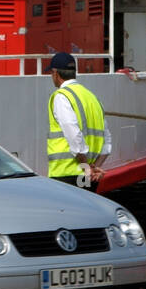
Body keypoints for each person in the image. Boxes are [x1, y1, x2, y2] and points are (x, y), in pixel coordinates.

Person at [46, 52, 110, 190]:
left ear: (55, 73)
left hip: (66, 175)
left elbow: (73, 134)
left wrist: (86, 167)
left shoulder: (61, 97)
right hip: (88, 175)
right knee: (84, 210)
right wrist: (94, 168)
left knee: (66, 211)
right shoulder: (93, 98)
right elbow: (107, 143)